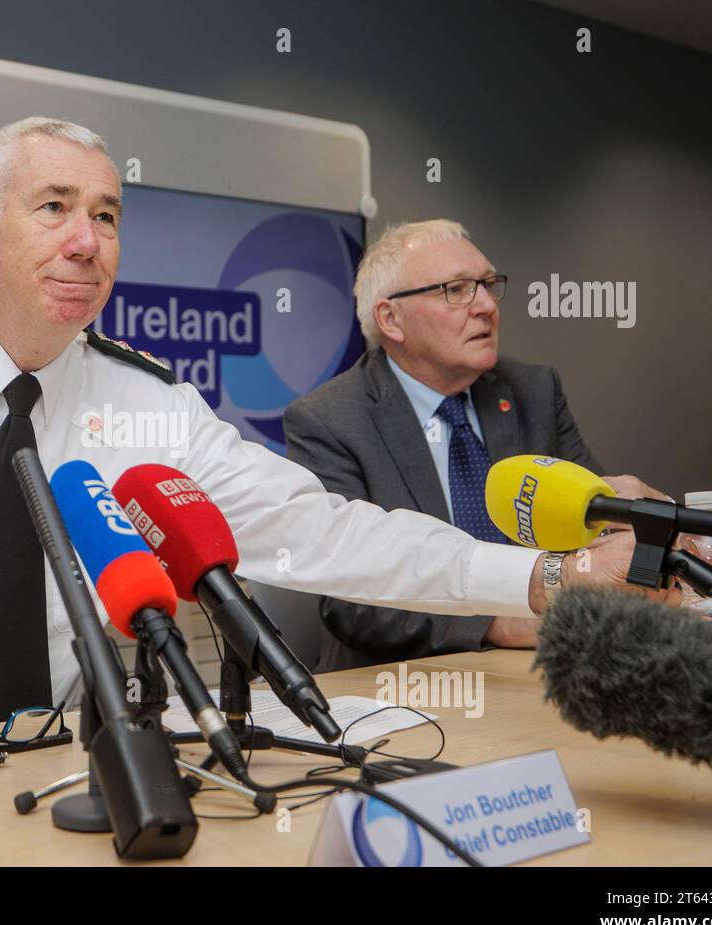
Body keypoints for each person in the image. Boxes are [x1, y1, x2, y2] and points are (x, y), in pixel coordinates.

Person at [0, 120, 675, 753]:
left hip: (66, 777)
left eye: (107, 213)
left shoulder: (149, 404)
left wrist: (541, 577)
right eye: (52, 208)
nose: (88, 241)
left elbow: (324, 533)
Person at [284, 219, 662, 668]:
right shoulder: (329, 420)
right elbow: (352, 598)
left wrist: (621, 517)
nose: (485, 305)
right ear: (391, 318)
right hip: (398, 683)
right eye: (456, 290)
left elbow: (590, 535)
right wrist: (500, 622)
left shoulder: (533, 390)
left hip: (545, 663)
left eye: (487, 284)